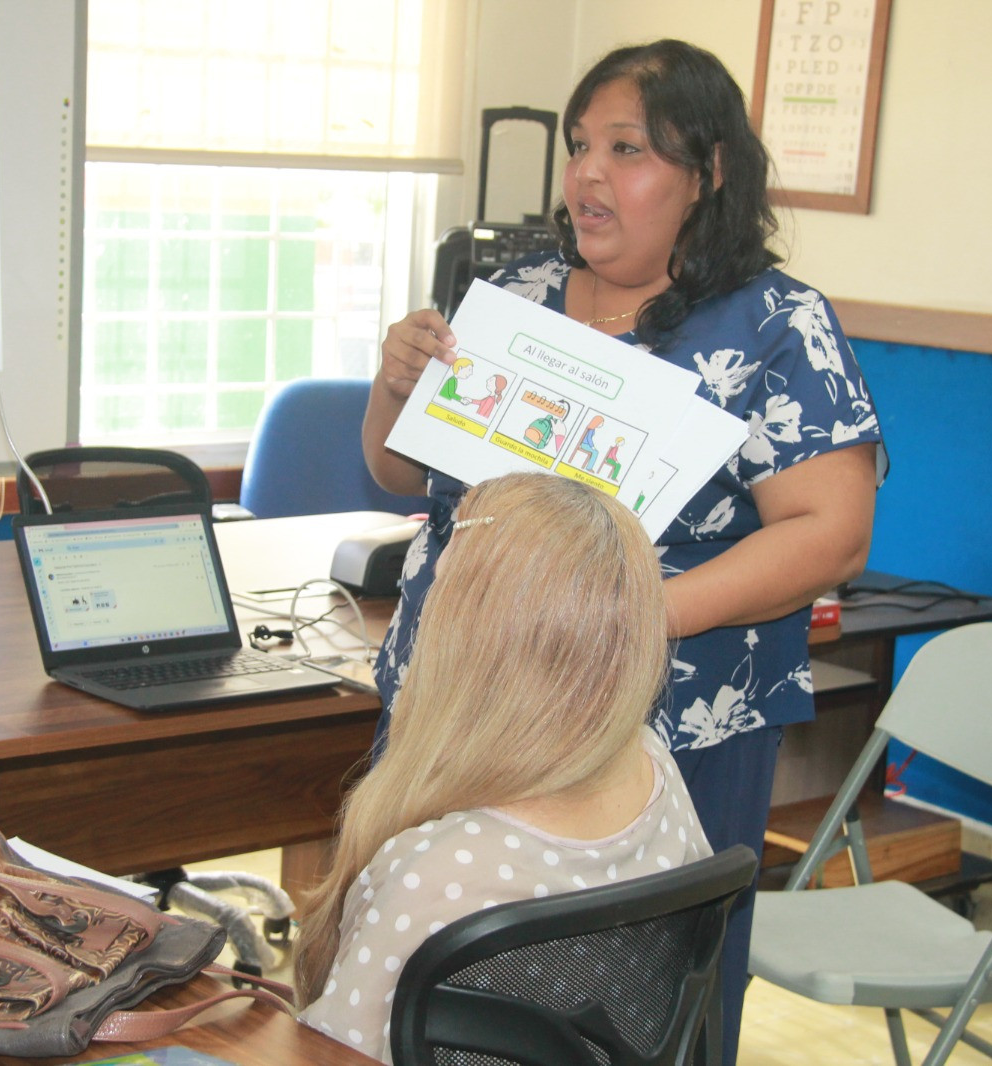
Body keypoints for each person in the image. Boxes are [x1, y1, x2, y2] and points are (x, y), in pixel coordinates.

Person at [361, 39, 883, 1066]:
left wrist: (636, 615)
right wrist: (392, 384)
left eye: (627, 149)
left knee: (630, 1012)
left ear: (708, 172)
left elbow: (832, 533)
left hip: (662, 722)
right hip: (458, 699)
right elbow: (396, 469)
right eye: (578, 146)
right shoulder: (513, 294)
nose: (587, 174)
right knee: (417, 976)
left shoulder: (776, 326)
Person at [295, 472, 709, 1062]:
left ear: (467, 640)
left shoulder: (433, 872)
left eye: (440, 592)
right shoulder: (655, 767)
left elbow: (334, 1054)